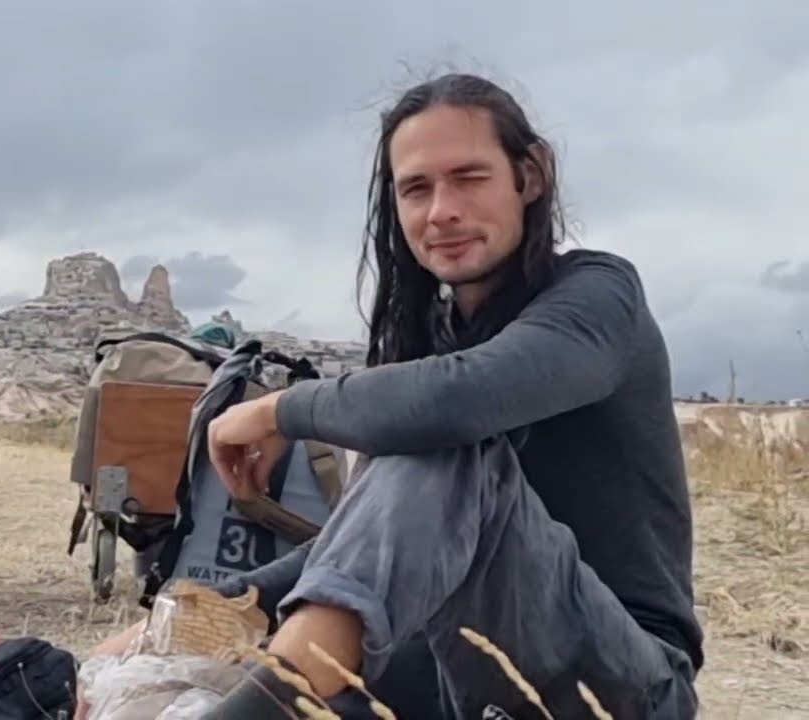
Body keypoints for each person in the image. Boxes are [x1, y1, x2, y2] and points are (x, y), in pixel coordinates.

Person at [78, 71, 703, 720]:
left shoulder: (599, 298)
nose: (441, 211)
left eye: (470, 177)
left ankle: (261, 708)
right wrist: (174, 629)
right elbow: (364, 551)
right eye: (417, 188)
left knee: (437, 437)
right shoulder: (424, 346)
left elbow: (457, 404)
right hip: (455, 670)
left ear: (532, 174)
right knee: (128, 692)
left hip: (622, 687)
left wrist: (280, 409)